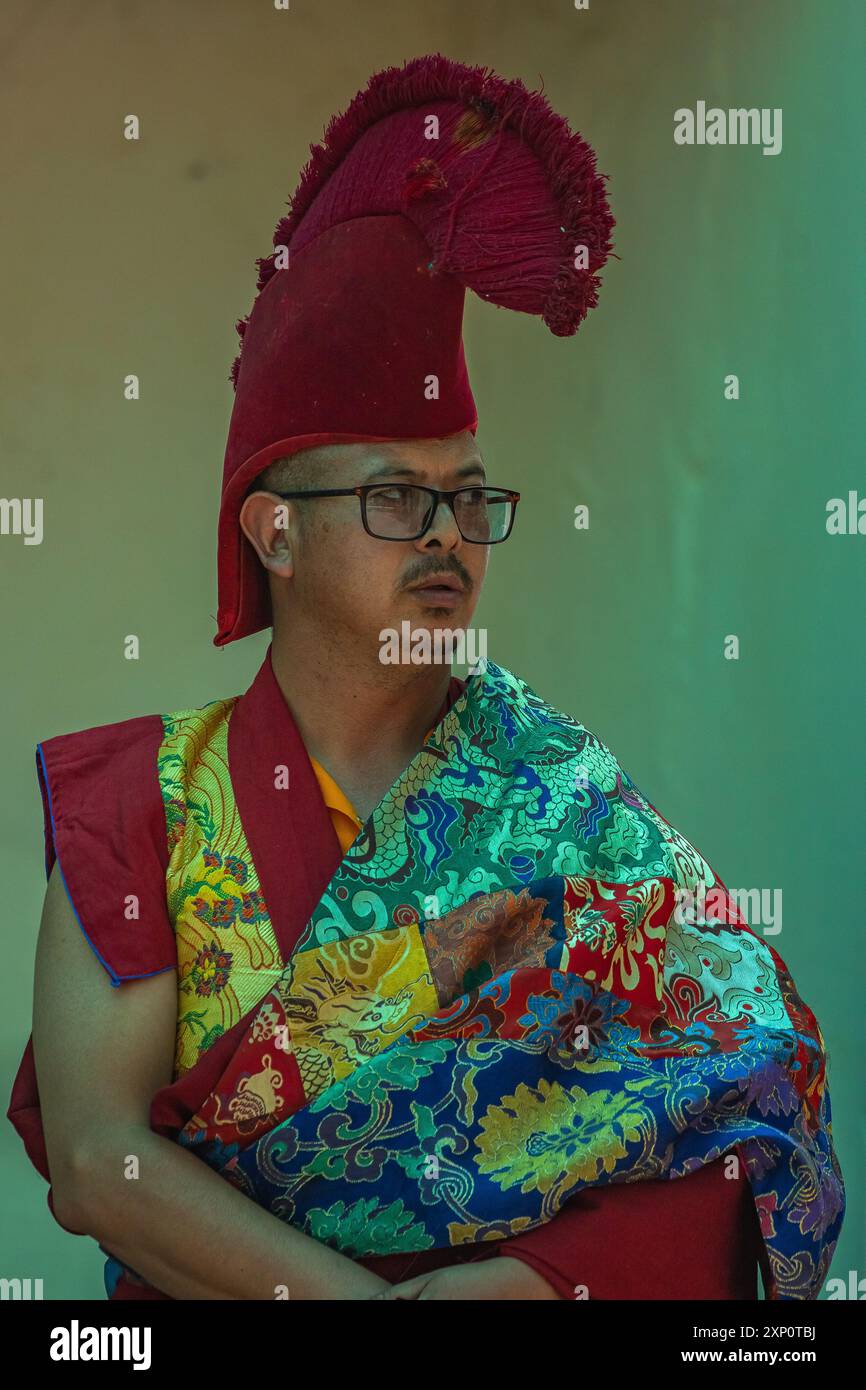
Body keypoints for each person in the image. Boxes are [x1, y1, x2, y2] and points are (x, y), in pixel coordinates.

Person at [8, 54, 843, 1302]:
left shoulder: (567, 807)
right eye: (396, 495)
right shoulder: (139, 802)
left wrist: (516, 1283)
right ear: (272, 532)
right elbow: (93, 1159)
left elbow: (750, 1115)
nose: (448, 533)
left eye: (469, 497)